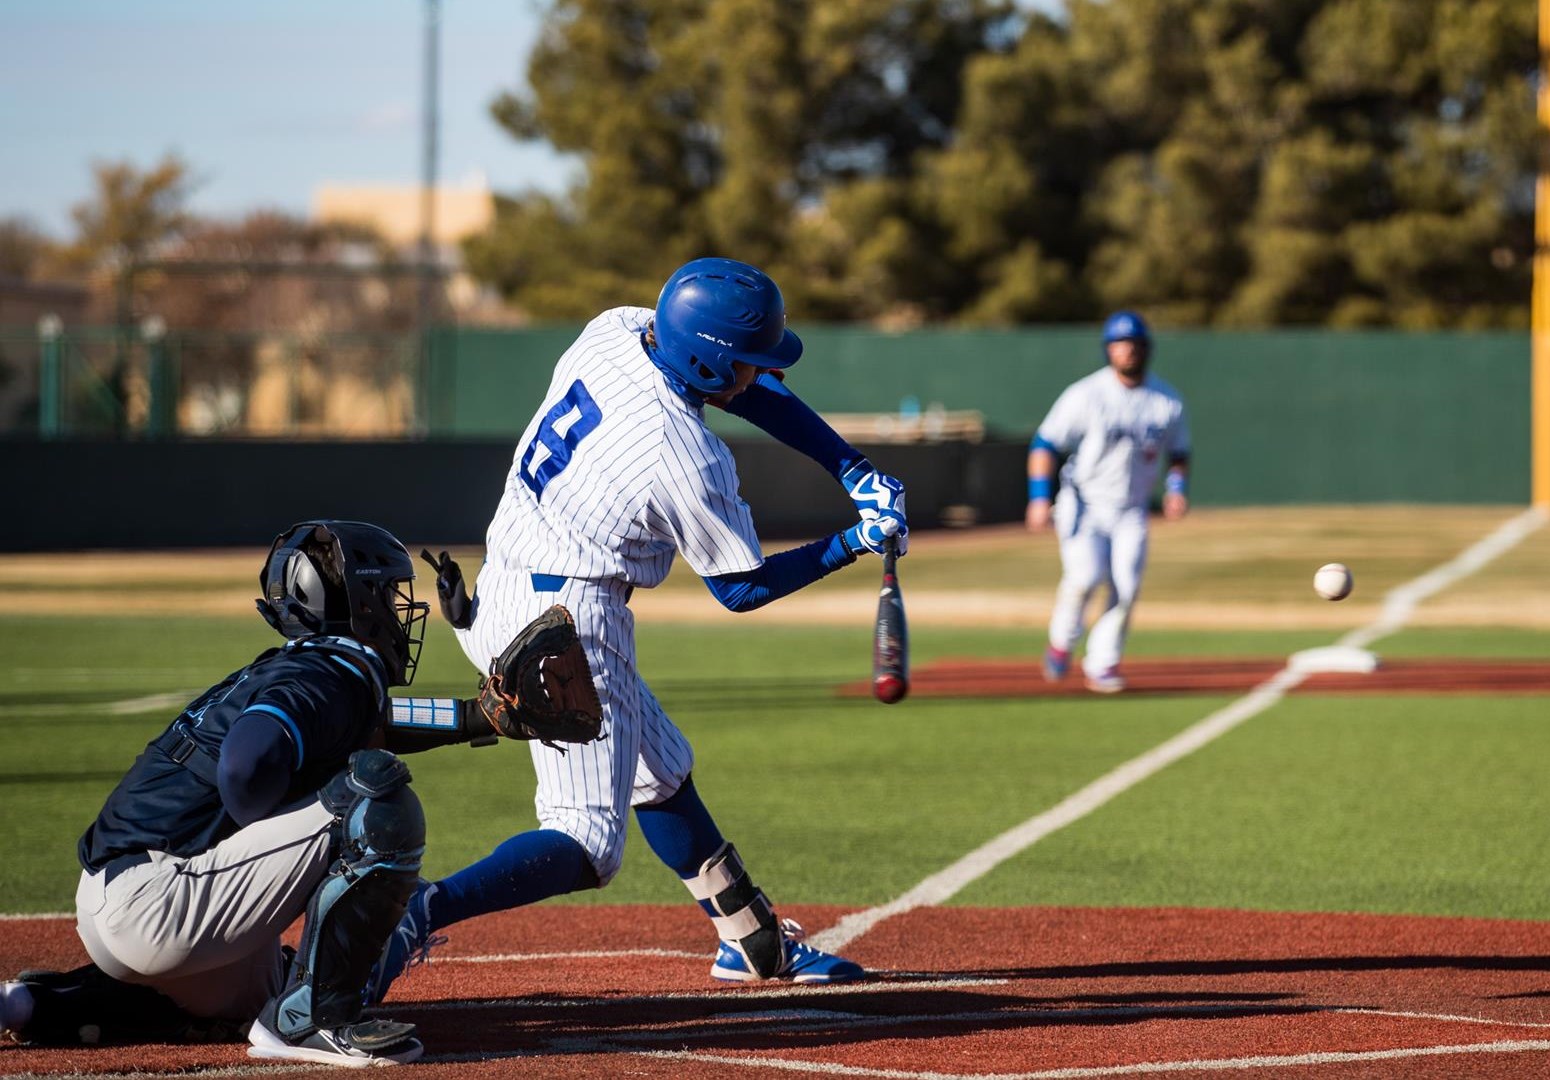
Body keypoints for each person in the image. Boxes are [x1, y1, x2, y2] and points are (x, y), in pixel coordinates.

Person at [366, 256, 908, 1003]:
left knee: (661, 772)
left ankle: (748, 941)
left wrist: (850, 468)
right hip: (566, 629)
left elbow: (754, 390)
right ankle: (412, 914)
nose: (755, 376)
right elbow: (740, 589)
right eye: (743, 363)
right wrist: (855, 540)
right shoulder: (682, 454)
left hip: (505, 583)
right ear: (710, 362)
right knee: (587, 839)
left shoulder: (619, 330)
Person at [1, 522, 462, 1065]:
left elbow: (367, 724)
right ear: (356, 600)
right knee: (377, 802)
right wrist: (273, 822)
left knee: (270, 993)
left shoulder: (305, 666)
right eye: (387, 592)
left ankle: (31, 1005)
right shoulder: (331, 673)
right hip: (157, 903)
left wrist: (483, 719)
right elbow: (247, 764)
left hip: (126, 899)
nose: (397, 608)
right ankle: (311, 1024)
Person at [1025, 310, 1191, 693]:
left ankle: (1103, 662)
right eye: (1120, 344)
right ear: (1108, 350)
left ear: (1146, 349)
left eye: (1134, 344)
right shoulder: (1086, 394)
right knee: (1085, 577)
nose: (1127, 351)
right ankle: (1062, 641)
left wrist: (1176, 489)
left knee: (1127, 587)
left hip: (1131, 509)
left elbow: (1179, 451)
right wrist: (1038, 498)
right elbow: (1045, 444)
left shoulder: (1166, 400)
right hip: (1084, 504)